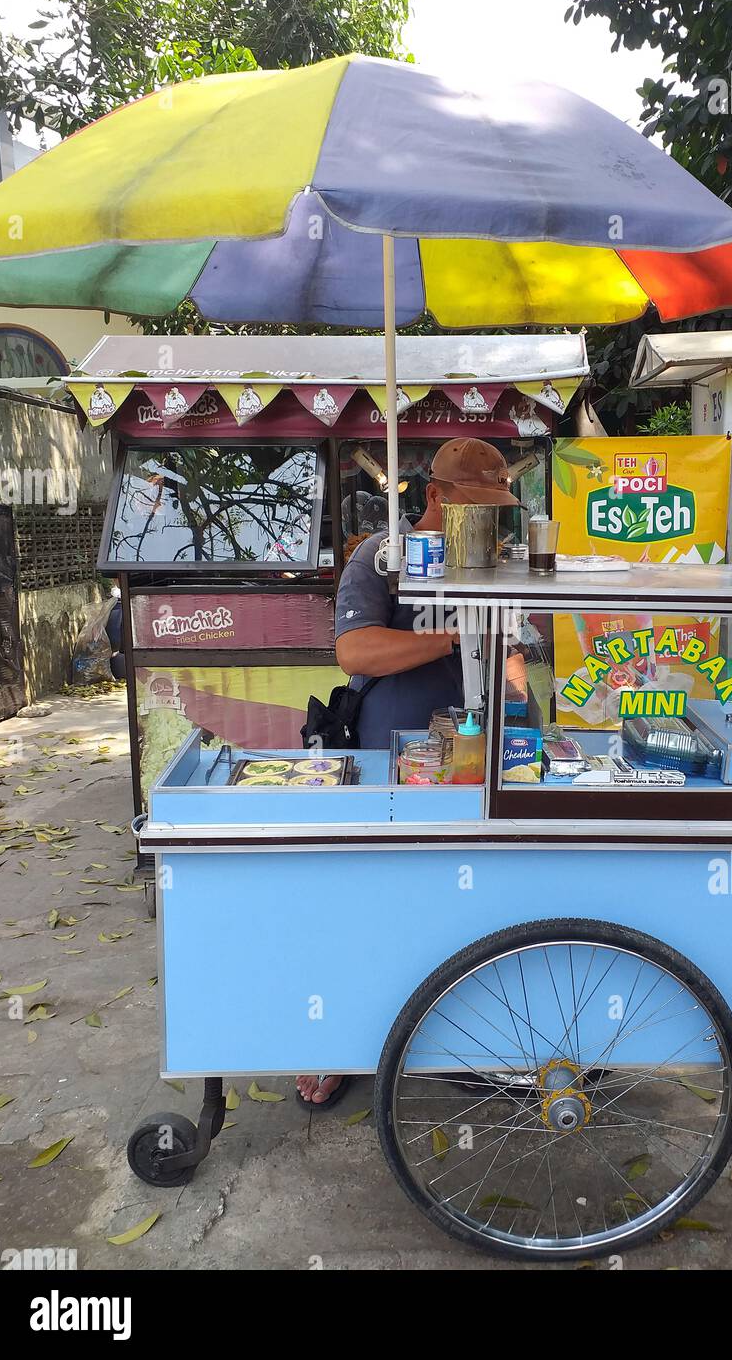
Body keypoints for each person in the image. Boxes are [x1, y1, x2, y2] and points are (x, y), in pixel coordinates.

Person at [296, 437, 519, 1109]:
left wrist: (518, 702)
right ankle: (342, 1039)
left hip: (477, 765)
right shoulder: (380, 558)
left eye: (496, 509)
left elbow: (511, 661)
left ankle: (481, 1037)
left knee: (480, 903)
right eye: (472, 507)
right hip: (394, 762)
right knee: (373, 900)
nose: (484, 522)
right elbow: (355, 650)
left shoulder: (497, 567)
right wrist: (455, 637)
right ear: (435, 497)